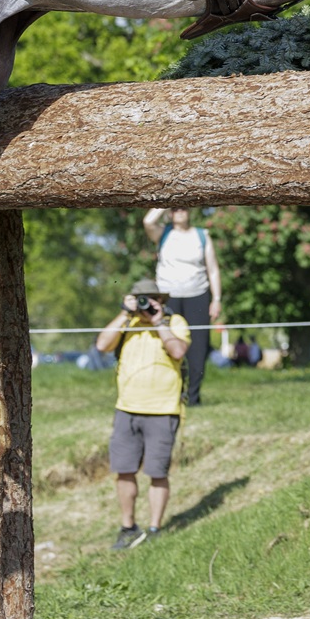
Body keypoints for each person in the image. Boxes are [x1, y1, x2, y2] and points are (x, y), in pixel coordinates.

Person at [93, 285, 192, 550]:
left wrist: (158, 321)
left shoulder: (174, 322)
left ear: (162, 301)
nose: (148, 304)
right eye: (141, 299)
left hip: (163, 409)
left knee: (157, 472)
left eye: (153, 299)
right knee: (124, 470)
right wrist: (125, 313)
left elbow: (178, 351)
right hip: (126, 408)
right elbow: (102, 345)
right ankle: (128, 528)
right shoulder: (128, 323)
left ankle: (155, 528)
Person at [143, 207, 224, 406]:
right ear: (170, 213)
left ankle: (193, 397)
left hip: (197, 296)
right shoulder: (162, 233)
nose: (180, 211)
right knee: (168, 345)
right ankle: (172, 395)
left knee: (198, 350)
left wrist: (217, 298)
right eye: (175, 208)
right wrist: (166, 199)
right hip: (168, 297)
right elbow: (148, 221)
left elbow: (212, 269)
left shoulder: (201, 235)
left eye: (184, 207)